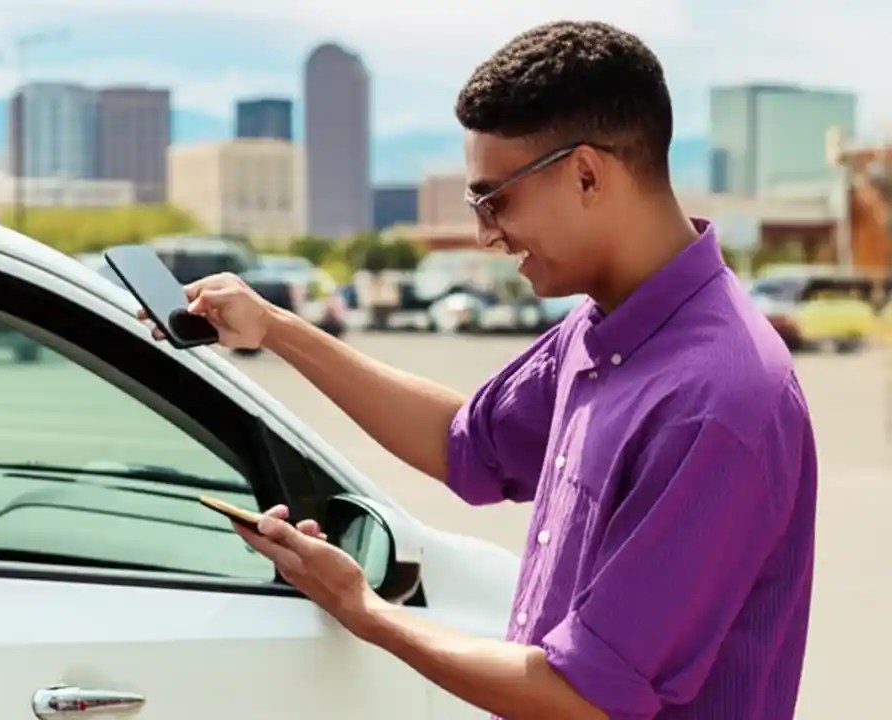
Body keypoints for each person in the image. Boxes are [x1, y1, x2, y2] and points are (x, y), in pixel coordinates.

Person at [146, 19, 817, 720]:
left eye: (494, 199)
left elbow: (581, 696)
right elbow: (467, 445)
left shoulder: (718, 402)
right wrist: (276, 329)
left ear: (587, 173)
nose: (484, 233)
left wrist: (364, 610)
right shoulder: (606, 326)